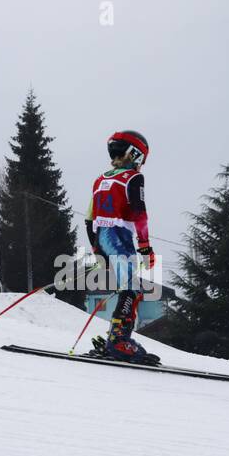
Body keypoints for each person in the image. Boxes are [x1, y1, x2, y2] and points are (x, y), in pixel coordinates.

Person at [85, 130, 158, 364]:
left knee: (129, 287)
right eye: (142, 159)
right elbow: (139, 213)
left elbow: (89, 218)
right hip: (119, 236)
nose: (141, 165)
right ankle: (118, 341)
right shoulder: (132, 178)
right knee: (132, 289)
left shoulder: (100, 179)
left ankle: (115, 338)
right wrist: (145, 246)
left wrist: (98, 249)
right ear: (134, 153)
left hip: (103, 237)